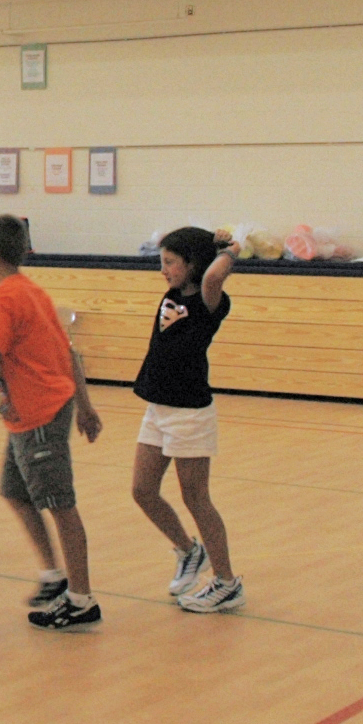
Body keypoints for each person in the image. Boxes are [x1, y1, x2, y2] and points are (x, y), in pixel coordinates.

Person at [0, 214, 106, 629]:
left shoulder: (3, 298)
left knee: (60, 505)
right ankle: (54, 576)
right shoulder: (33, 291)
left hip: (39, 413)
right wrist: (86, 406)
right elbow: (68, 352)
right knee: (15, 491)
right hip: (36, 412)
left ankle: (81, 600)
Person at [132, 225, 244, 613]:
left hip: (190, 413)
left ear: (193, 264)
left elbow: (214, 274)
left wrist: (230, 249)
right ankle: (188, 550)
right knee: (142, 490)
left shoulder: (211, 299)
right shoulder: (174, 292)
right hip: (158, 408)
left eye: (170, 263)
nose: (163, 270)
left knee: (196, 498)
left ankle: (227, 583)